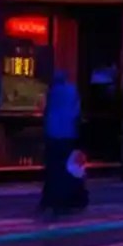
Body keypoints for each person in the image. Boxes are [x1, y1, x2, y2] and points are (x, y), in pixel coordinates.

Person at [40, 71, 85, 215]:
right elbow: (76, 112)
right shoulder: (72, 91)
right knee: (67, 168)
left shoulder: (51, 93)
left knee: (53, 168)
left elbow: (46, 111)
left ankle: (51, 199)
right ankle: (66, 199)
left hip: (52, 134)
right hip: (68, 134)